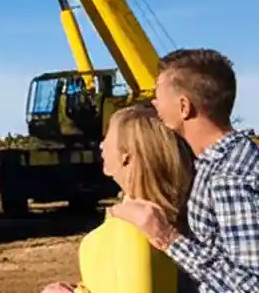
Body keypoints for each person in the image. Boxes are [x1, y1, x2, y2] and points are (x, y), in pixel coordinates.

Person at [111, 48, 259, 292]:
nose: (154, 103)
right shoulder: (219, 162)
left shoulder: (229, 178)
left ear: (183, 107)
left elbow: (251, 286)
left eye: (158, 95)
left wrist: (167, 237)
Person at [42, 104, 195, 293]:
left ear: (126, 155)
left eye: (107, 138)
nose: (101, 145)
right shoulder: (174, 221)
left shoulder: (136, 230)